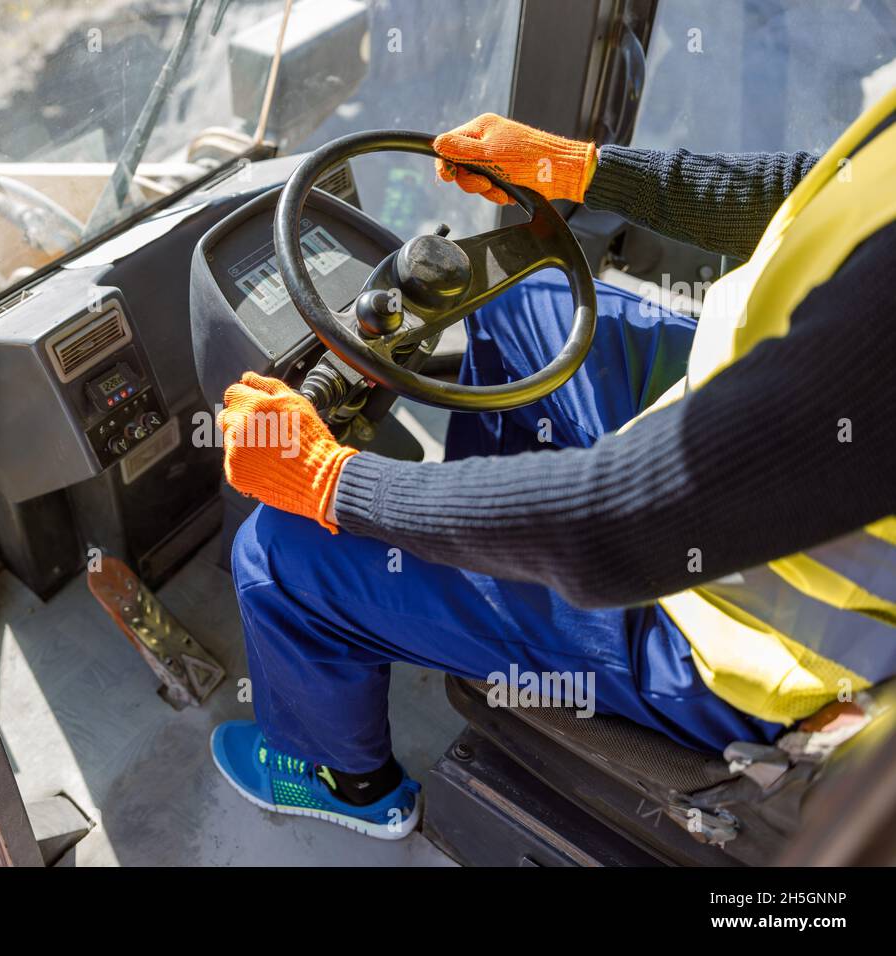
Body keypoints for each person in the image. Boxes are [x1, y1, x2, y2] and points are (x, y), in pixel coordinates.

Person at [208, 98, 896, 840]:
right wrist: (583, 169)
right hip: (721, 412)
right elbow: (816, 185)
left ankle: (343, 779)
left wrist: (330, 480)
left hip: (721, 639)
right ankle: (461, 588)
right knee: (521, 302)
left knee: (279, 553)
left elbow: (614, 527)